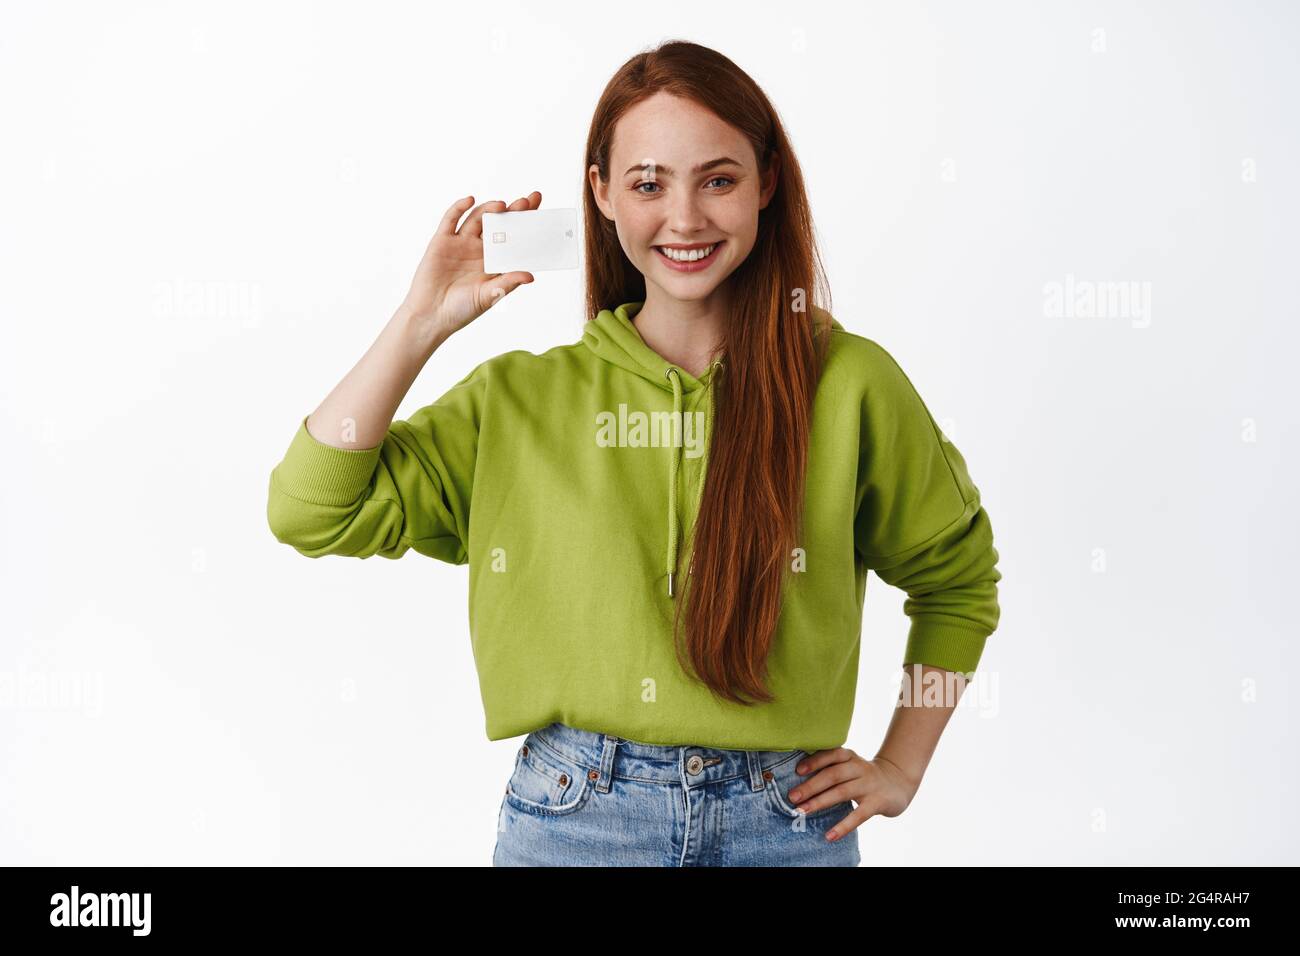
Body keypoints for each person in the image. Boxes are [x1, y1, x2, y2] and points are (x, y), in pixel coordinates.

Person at [266, 39, 1002, 867]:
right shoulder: (520, 400)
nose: (684, 218)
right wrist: (419, 323)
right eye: (649, 183)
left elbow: (959, 582)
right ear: (603, 194)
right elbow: (308, 508)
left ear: (766, 184)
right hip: (575, 822)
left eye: (717, 180)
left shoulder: (851, 382)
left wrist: (903, 764)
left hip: (787, 826)